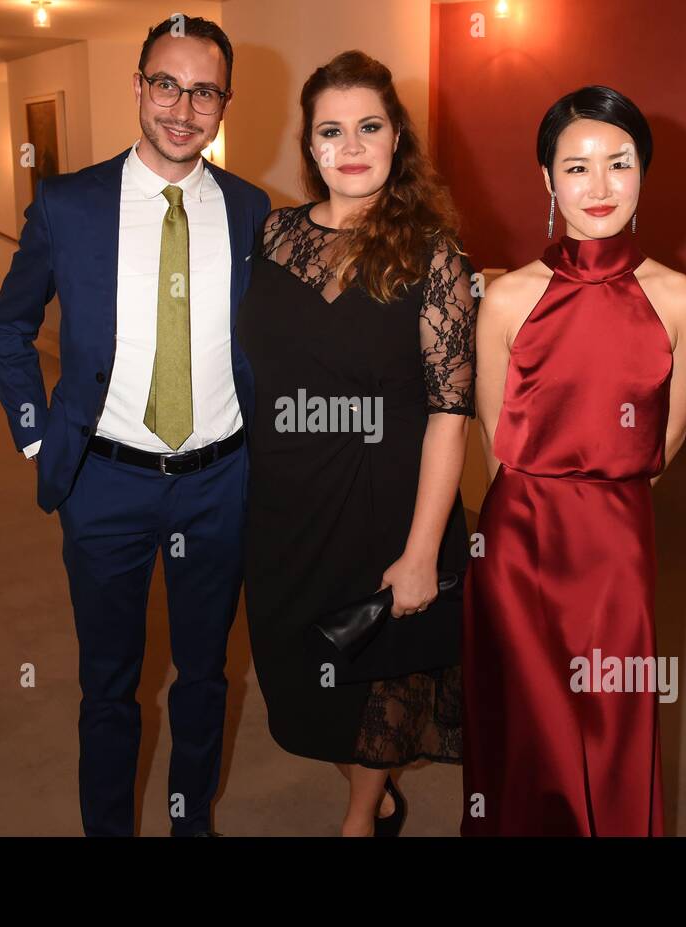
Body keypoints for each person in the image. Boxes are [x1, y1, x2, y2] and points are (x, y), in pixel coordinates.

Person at [0, 15, 269, 837]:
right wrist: (41, 437)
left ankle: (191, 822)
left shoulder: (252, 210)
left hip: (219, 482)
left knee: (206, 672)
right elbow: (8, 326)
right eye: (166, 84)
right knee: (109, 682)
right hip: (103, 481)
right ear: (139, 87)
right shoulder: (69, 204)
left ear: (224, 102)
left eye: (203, 90)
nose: (183, 107)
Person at [235, 50, 476, 837]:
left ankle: (360, 816)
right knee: (302, 678)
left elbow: (450, 409)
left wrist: (422, 550)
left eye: (369, 126)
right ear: (309, 148)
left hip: (388, 504)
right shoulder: (270, 239)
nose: (351, 145)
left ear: (397, 138)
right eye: (330, 130)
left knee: (382, 680)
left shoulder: (434, 253)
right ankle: (369, 790)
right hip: (285, 507)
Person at [461, 85, 686, 836]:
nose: (599, 188)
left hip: (618, 543)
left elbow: (663, 447)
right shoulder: (507, 299)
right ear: (547, 179)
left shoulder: (681, 300)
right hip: (519, 545)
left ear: (644, 173)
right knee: (534, 728)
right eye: (576, 167)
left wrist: (603, 489)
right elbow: (495, 435)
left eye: (619, 164)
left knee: (611, 722)